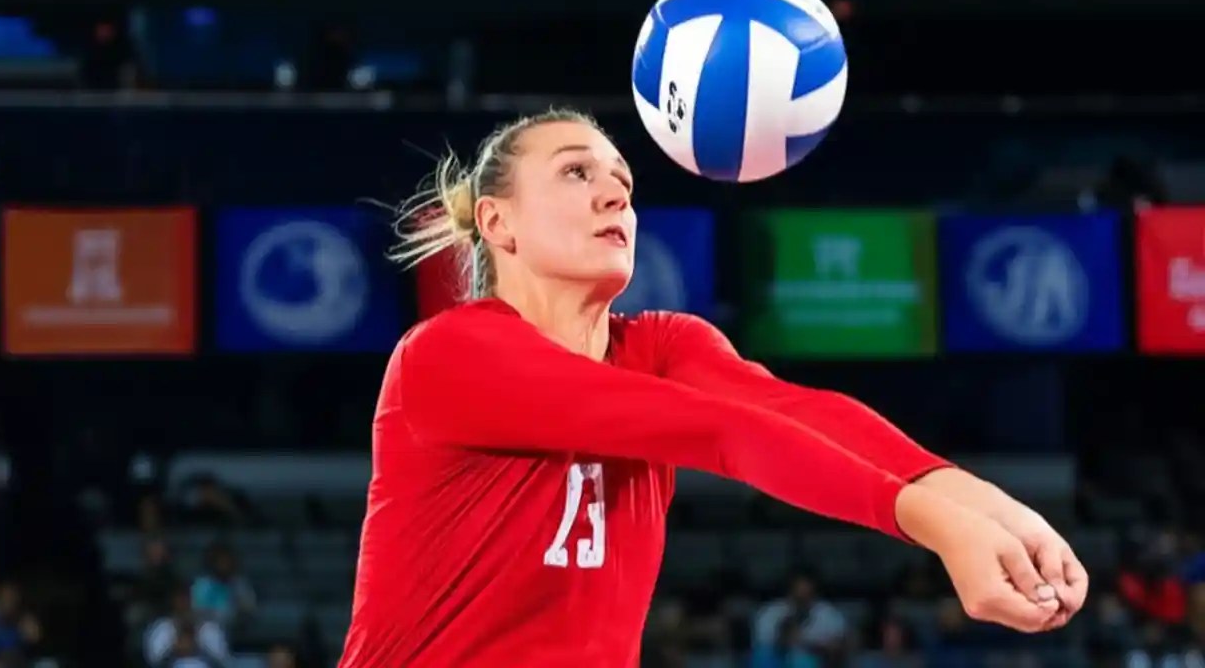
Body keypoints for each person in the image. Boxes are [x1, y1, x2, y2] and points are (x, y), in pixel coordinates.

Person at [339, 108, 1088, 667]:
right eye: (577, 172)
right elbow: (721, 432)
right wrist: (936, 525)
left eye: (623, 184)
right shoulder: (450, 354)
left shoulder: (663, 345)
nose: (615, 197)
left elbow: (789, 410)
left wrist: (983, 501)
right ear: (498, 223)